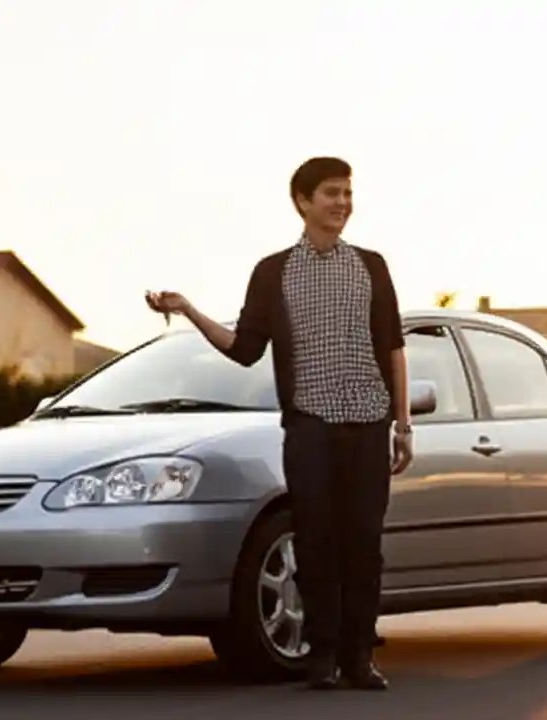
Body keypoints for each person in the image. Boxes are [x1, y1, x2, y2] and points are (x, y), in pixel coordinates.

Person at [144, 156, 413, 691]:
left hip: (367, 424)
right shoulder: (273, 272)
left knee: (363, 544)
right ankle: (322, 656)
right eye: (331, 193)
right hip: (310, 427)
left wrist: (402, 424)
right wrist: (191, 310)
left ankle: (360, 658)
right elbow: (244, 349)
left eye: (348, 193)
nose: (342, 203)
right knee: (314, 543)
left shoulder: (372, 265)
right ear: (303, 201)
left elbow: (394, 347)